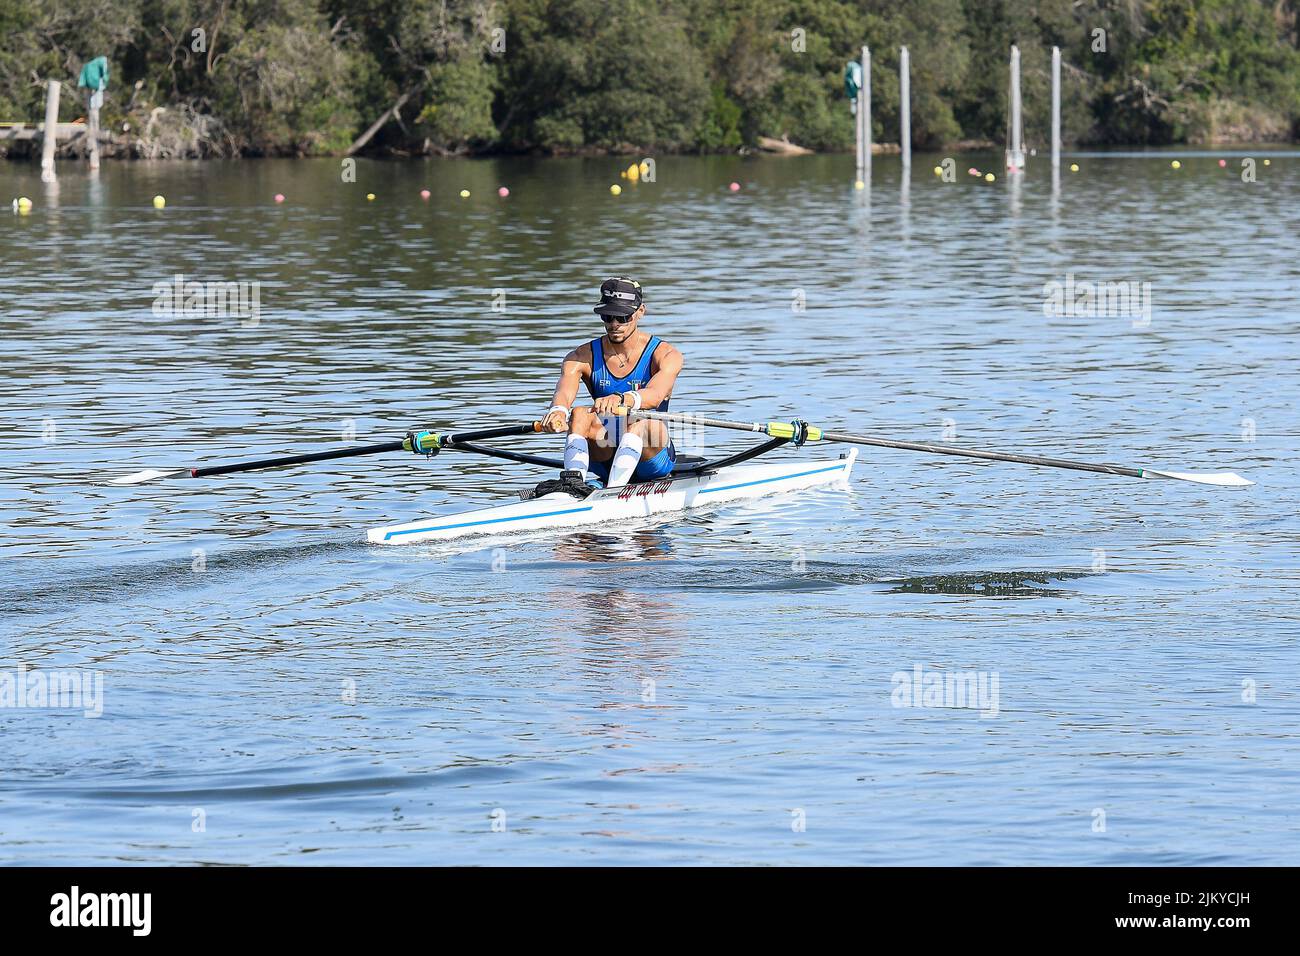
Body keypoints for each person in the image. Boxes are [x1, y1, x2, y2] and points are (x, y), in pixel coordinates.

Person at [541, 277, 683, 488]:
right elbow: (564, 391)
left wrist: (623, 399)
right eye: (608, 317)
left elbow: (656, 393)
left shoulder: (666, 354)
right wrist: (558, 411)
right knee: (580, 413)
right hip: (604, 453)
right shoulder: (581, 356)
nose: (614, 324)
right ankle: (572, 483)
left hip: (651, 456)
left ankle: (613, 492)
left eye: (623, 317)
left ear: (640, 311)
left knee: (639, 423)